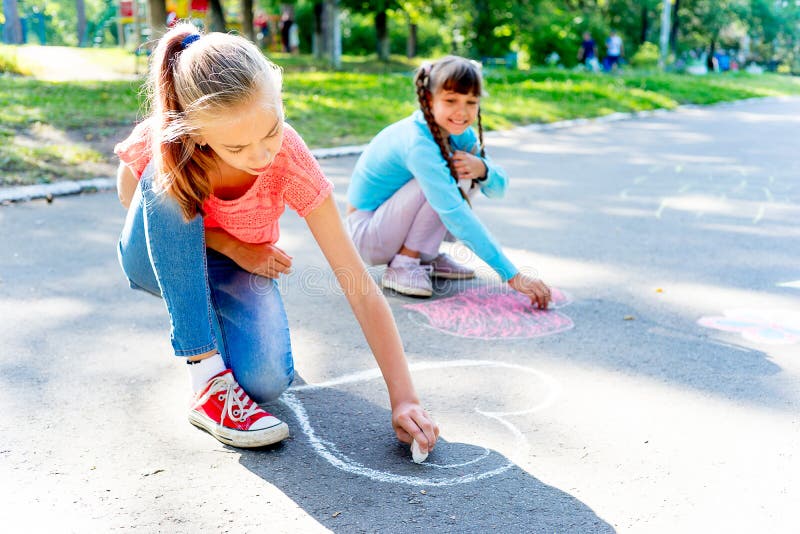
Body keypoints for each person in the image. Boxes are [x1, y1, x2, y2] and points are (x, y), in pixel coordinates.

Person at [114, 23, 439, 453]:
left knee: (265, 384)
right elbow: (128, 197)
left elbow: (357, 283)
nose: (261, 154)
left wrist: (405, 399)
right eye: (237, 148)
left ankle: (208, 326)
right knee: (165, 172)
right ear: (198, 132)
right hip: (157, 262)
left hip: (230, 272)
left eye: (271, 130)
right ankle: (206, 376)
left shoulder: (288, 158)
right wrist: (229, 244)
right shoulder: (173, 138)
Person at [345, 55, 551, 308]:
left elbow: (498, 190)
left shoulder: (458, 132)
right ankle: (405, 263)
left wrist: (483, 169)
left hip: (389, 223)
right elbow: (455, 213)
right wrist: (513, 276)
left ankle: (424, 257)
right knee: (442, 179)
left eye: (471, 102)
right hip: (369, 233)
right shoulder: (418, 142)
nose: (461, 112)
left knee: (465, 170)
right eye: (451, 100)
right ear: (429, 100)